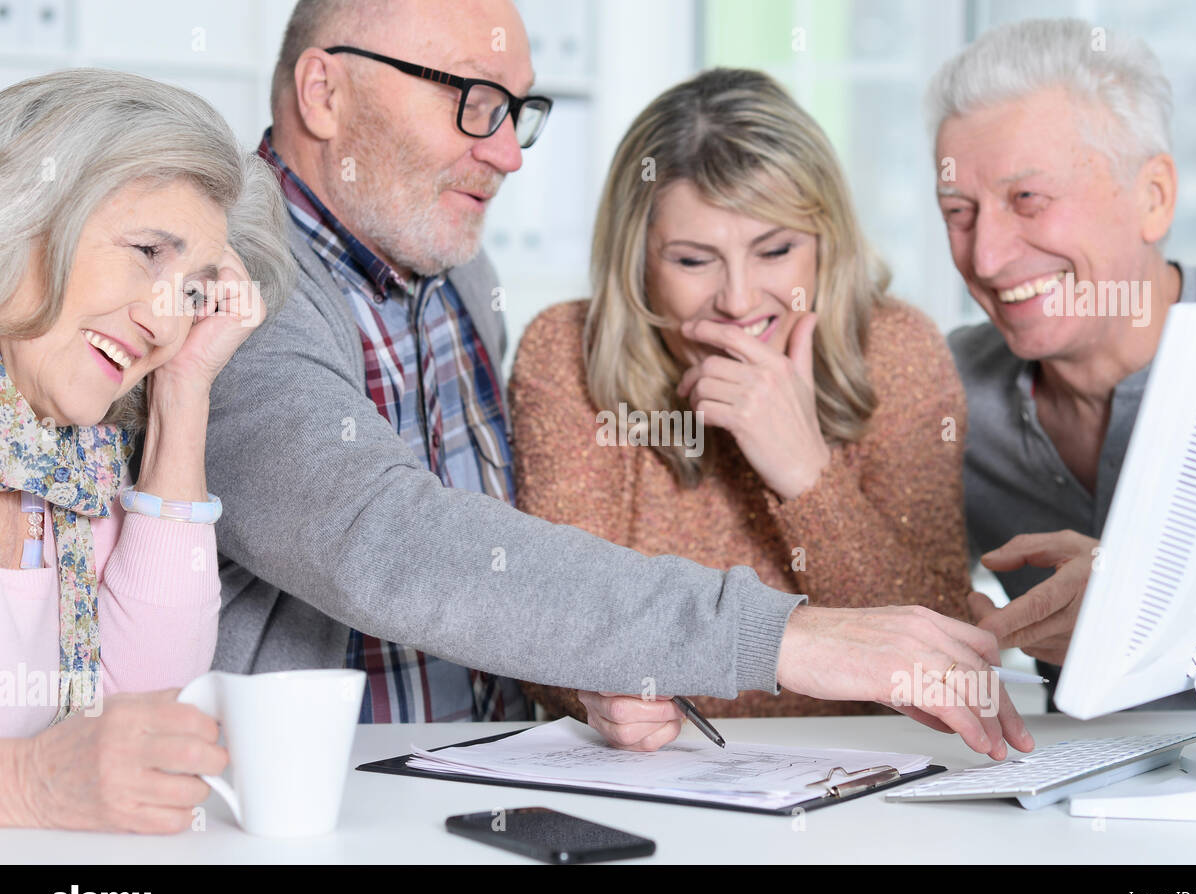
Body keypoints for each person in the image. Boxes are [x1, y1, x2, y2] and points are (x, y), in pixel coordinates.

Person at [206, 0, 1032, 759]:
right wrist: (775, 637)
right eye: (472, 100)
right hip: (333, 787)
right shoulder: (229, 280)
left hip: (498, 772)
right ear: (324, 91)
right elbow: (380, 533)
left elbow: (527, 588)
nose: (506, 153)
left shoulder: (449, 269)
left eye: (514, 111)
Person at [510, 67, 971, 729]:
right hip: (651, 780)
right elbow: (553, 615)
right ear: (636, 259)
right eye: (693, 261)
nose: (737, 299)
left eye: (776, 250)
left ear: (824, 245)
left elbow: (947, 652)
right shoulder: (566, 350)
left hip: (862, 784)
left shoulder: (898, 349)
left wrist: (804, 472)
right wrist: (586, 693)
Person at [929, 18, 1196, 703]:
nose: (985, 258)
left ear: (1152, 196)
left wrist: (1152, 619)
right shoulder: (943, 391)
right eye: (958, 211)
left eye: (1027, 200)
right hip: (1060, 797)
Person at [0, 68, 295, 830]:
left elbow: (143, 711)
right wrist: (25, 783)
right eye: (146, 251)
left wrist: (186, 387)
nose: (166, 323)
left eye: (194, 291)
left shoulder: (71, 465)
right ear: (26, 214)